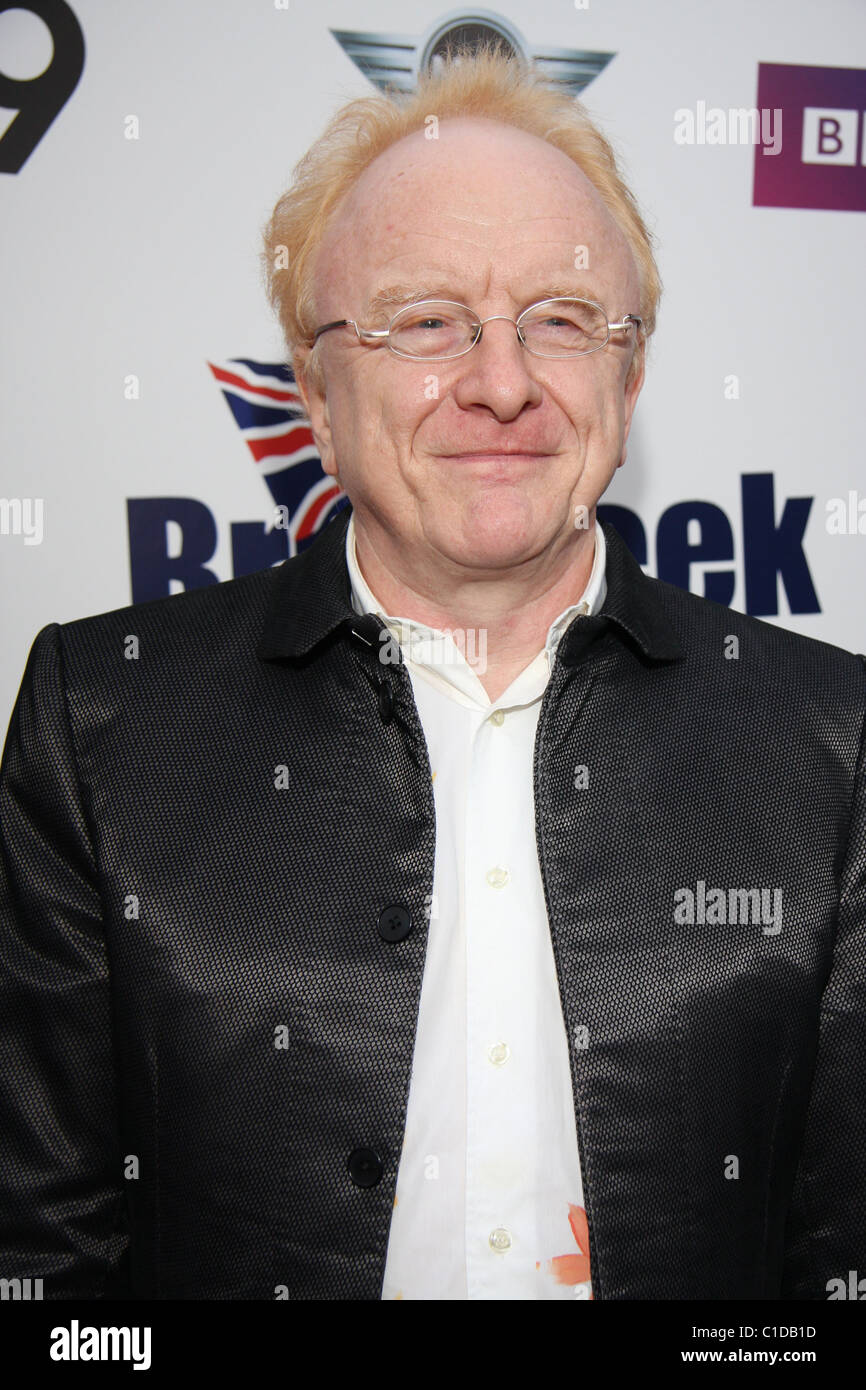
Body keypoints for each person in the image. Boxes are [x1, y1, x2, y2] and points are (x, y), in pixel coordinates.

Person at [1, 45, 864, 1302]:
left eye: (562, 322)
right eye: (424, 323)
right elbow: (42, 1260)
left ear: (628, 377)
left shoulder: (830, 743)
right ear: (312, 382)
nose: (501, 384)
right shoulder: (103, 720)